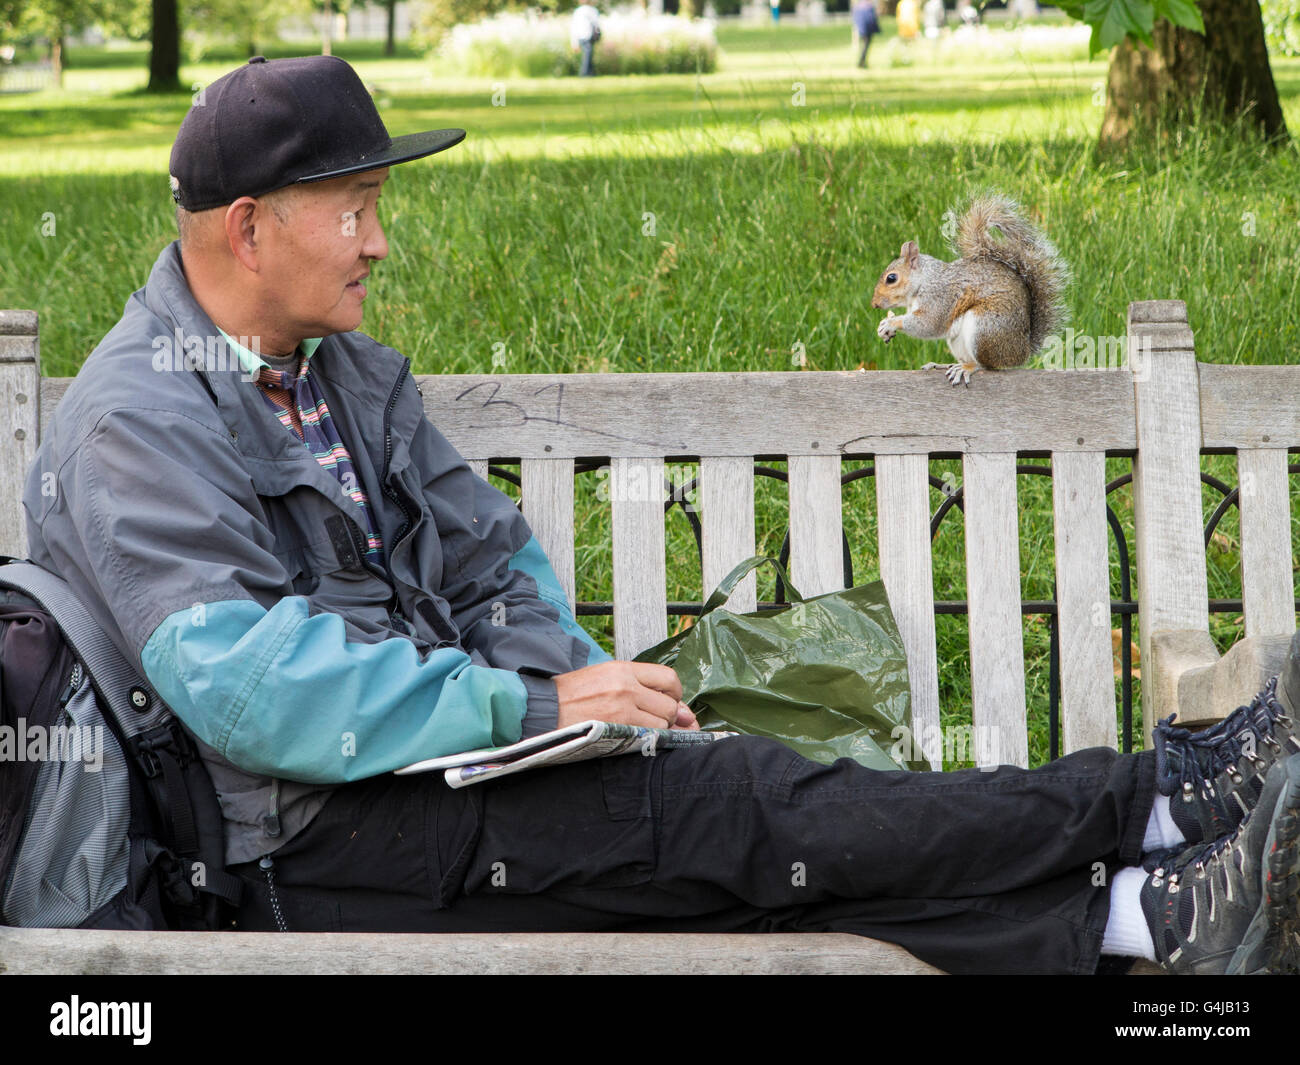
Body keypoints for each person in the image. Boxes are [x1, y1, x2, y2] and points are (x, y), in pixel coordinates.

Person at [22, 55, 1300, 976]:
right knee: (744, 809)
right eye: (354, 210)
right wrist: (530, 710)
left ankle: (1150, 921)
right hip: (306, 846)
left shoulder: (342, 376)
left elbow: (491, 559)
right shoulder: (142, 420)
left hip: (452, 779)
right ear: (249, 230)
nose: (379, 243)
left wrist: (579, 706)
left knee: (737, 864)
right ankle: (1163, 797)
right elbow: (249, 690)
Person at [570, 3, 601, 77]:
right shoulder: (589, 11)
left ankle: (590, 73)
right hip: (585, 35)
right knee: (588, 55)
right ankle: (584, 73)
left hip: (587, 36)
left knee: (589, 55)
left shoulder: (580, 11)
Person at [851, 0, 881, 68]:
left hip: (863, 24)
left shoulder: (859, 6)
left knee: (865, 44)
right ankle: (862, 62)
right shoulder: (867, 6)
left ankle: (862, 61)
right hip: (866, 24)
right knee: (866, 43)